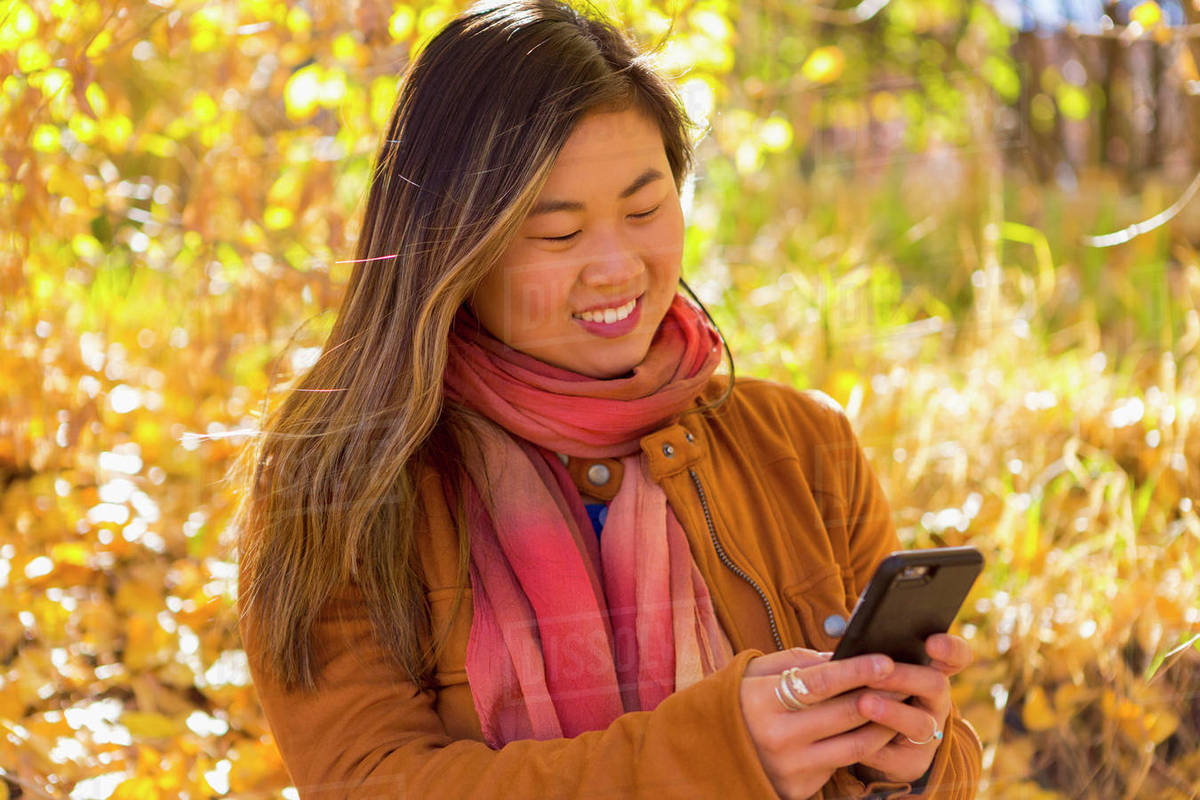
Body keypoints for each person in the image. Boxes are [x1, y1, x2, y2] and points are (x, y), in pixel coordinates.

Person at [234, 1, 983, 797]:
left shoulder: (806, 445)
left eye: (645, 209)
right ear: (452, 246)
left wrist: (915, 758)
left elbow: (942, 761)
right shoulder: (340, 484)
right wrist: (719, 755)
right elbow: (369, 784)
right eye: (559, 234)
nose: (617, 268)